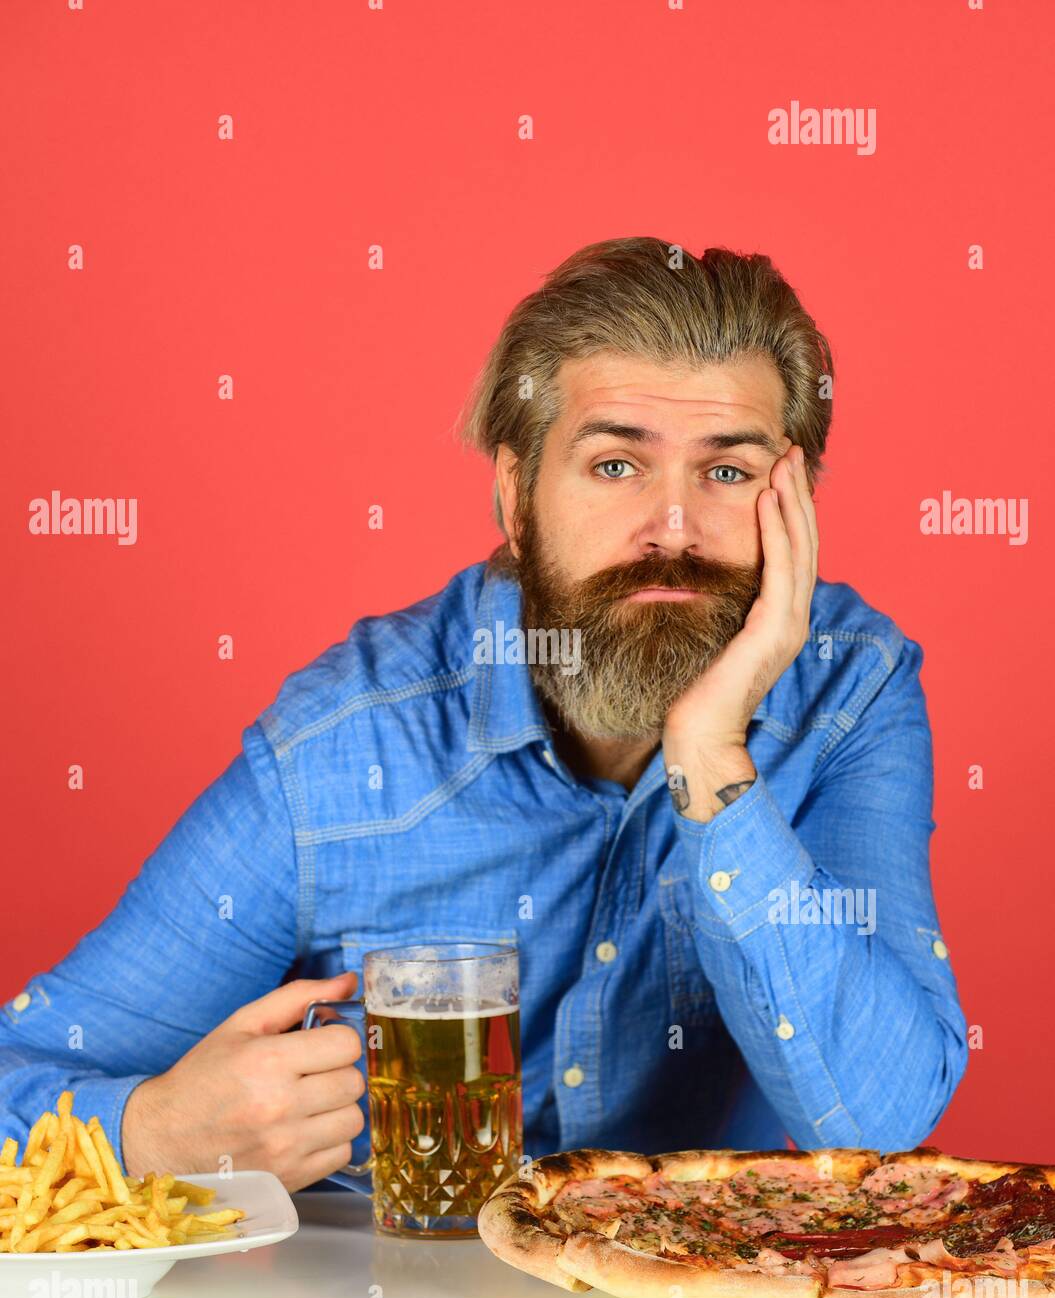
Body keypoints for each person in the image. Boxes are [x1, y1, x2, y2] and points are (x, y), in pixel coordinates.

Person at [0, 238, 968, 1193]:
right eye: (614, 466)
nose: (671, 530)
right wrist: (151, 1134)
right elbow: (25, 1067)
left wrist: (712, 763)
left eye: (724, 473)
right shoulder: (344, 749)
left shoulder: (850, 694)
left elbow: (878, 1121)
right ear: (514, 496)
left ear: (793, 502)